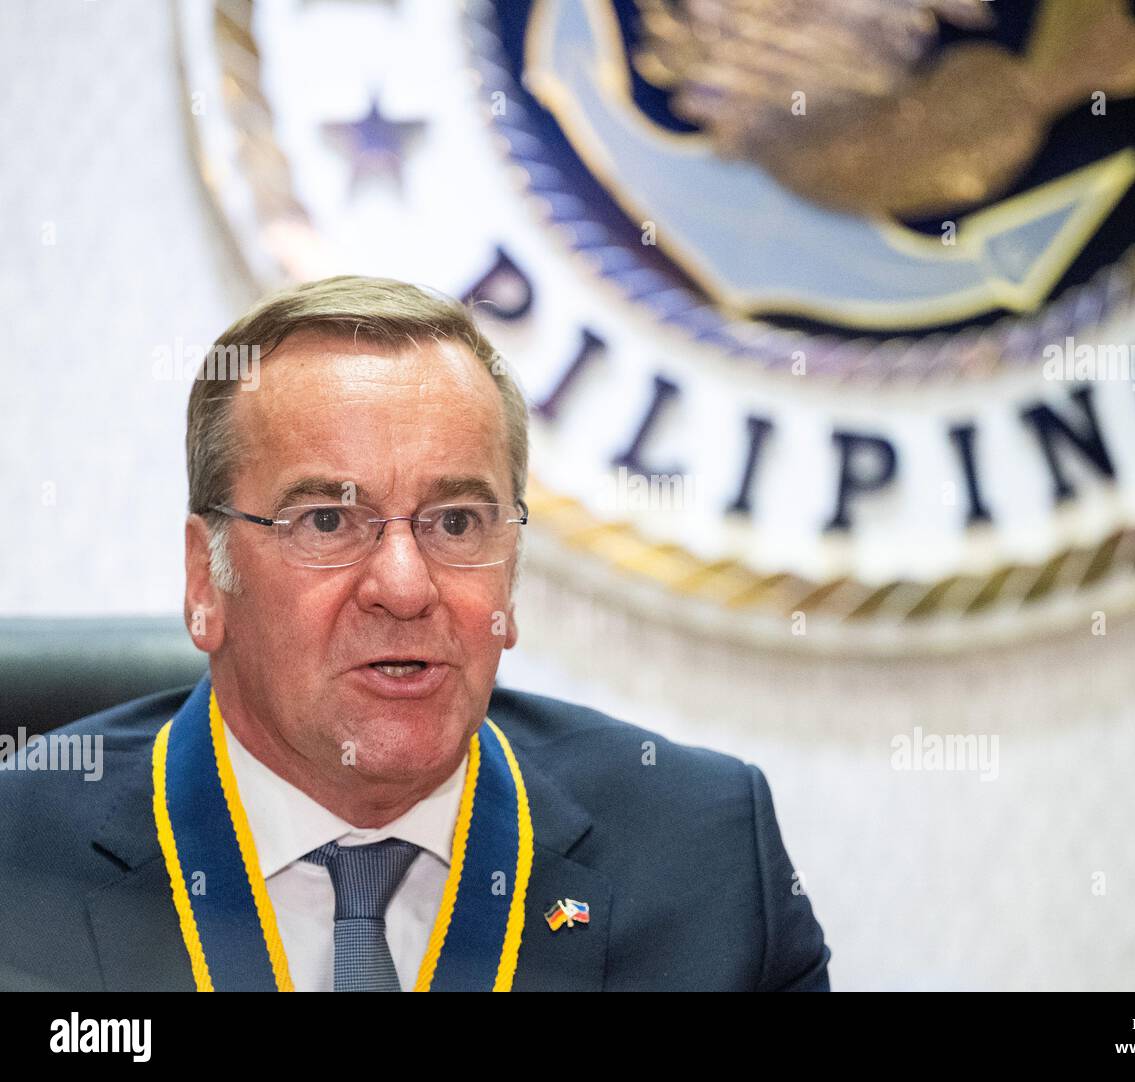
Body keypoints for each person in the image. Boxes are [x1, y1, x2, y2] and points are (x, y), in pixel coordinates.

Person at [0, 276, 830, 991]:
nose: (404, 588)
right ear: (203, 579)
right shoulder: (14, 862)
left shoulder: (707, 858)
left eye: (458, 522)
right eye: (327, 519)